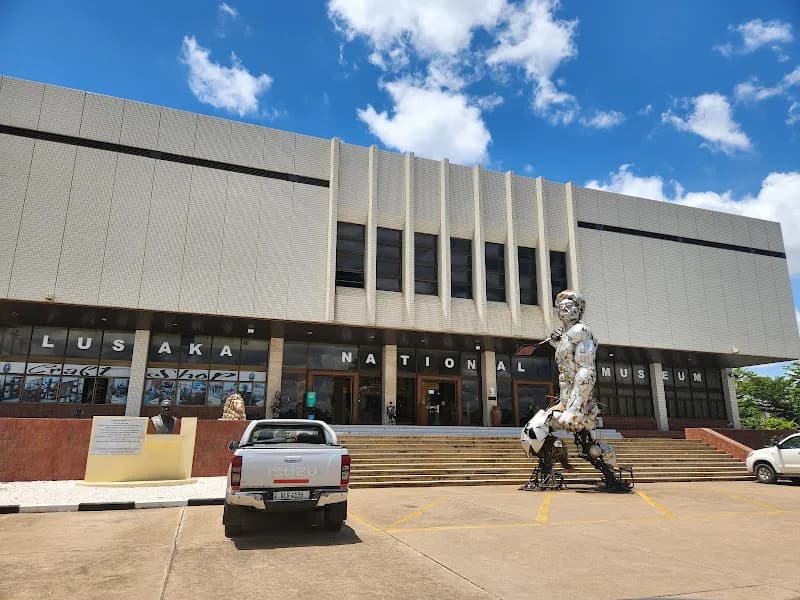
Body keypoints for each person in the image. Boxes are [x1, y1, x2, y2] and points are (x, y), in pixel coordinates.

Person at [548, 289, 599, 432]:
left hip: (579, 404)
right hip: (565, 400)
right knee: (536, 429)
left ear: (579, 310)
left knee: (590, 448)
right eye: (560, 307)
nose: (564, 309)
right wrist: (556, 344)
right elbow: (568, 361)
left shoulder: (581, 331)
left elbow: (587, 372)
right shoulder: (565, 335)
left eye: (569, 306)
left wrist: (574, 409)